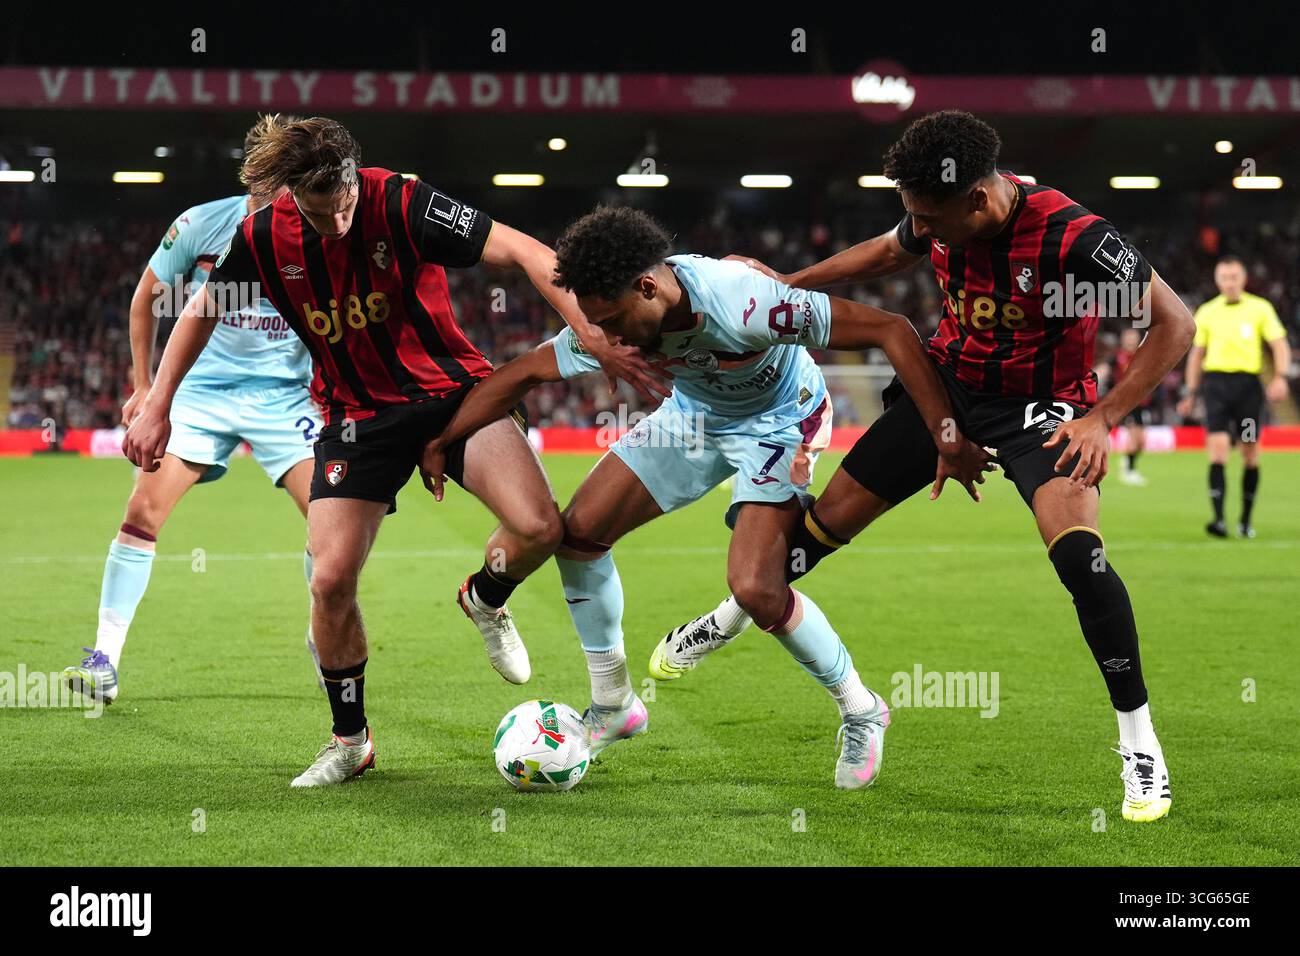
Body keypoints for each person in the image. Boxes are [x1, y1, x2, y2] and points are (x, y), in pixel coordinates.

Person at [653, 111, 1197, 823]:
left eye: (930, 219)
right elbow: (885, 253)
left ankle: (1140, 745)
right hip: (946, 385)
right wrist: (786, 284)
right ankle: (729, 617)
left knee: (1081, 562)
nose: (922, 230)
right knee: (823, 527)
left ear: (977, 199)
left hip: (1043, 405)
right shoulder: (941, 209)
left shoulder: (1077, 237)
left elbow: (1177, 323)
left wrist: (1104, 418)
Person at [122, 117, 667, 788]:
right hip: (357, 418)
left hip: (453, 394)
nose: (340, 218)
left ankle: (485, 596)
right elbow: (202, 309)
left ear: (356, 175)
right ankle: (350, 741)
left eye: (346, 199)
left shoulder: (403, 201)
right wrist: (157, 403)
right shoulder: (264, 238)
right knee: (328, 581)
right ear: (294, 196)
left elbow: (527, 251)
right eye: (323, 212)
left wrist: (590, 332)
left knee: (539, 528)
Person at [420, 205, 990, 788]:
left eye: (613, 320)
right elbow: (519, 376)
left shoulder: (744, 302)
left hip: (780, 423)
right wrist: (442, 439)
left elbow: (891, 329)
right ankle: (614, 701)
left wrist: (946, 435)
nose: (607, 337)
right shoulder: (612, 319)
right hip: (694, 417)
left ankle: (863, 707)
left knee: (759, 589)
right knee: (579, 535)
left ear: (648, 287)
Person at [63, 114, 318, 704]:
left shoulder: (316, 233)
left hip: (284, 398)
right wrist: (144, 389)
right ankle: (104, 662)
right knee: (141, 512)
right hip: (198, 394)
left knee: (331, 526)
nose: (280, 196)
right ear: (257, 180)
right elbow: (144, 302)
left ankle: (323, 640)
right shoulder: (201, 225)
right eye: (272, 183)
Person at [1177, 256, 1291, 538]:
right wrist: (1191, 392)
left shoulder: (1260, 308)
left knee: (1250, 452)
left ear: (1243, 279)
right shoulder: (1207, 311)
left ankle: (1245, 520)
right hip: (1216, 387)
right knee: (1217, 451)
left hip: (1248, 389)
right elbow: (1197, 355)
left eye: (1234, 277)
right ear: (1218, 280)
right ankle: (1219, 520)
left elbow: (1279, 344)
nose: (1229, 282)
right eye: (1224, 277)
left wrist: (1280, 377)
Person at [1109, 327, 1153, 486]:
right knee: (1134, 439)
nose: (1130, 340)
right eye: (1128, 337)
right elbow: (1105, 371)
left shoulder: (1143, 356)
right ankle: (1128, 471)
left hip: (1143, 402)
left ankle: (1128, 464)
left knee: (1141, 441)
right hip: (1126, 402)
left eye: (1133, 337)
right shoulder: (1117, 357)